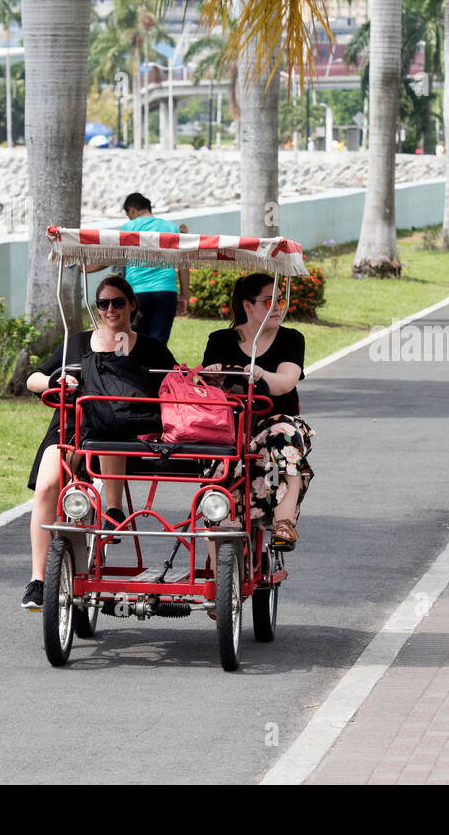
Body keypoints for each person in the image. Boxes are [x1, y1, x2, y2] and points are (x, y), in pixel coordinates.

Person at [21, 276, 177, 609]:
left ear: (132, 305)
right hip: (72, 425)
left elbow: (177, 385)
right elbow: (33, 378)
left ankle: (114, 509)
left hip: (124, 432)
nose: (110, 310)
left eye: (118, 302)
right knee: (48, 486)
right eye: (103, 303)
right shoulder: (76, 343)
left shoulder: (150, 349)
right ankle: (37, 579)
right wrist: (54, 379)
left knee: (111, 436)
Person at [202, 273, 313, 546]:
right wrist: (213, 377)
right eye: (268, 301)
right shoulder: (220, 340)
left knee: (285, 435)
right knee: (218, 469)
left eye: (280, 300)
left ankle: (284, 524)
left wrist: (261, 373)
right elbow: (204, 389)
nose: (277, 307)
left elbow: (285, 382)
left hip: (275, 423)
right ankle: (222, 575)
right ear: (248, 306)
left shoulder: (290, 339)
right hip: (231, 425)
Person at [86, 193, 191, 344]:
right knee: (158, 343)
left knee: (134, 341)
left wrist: (86, 268)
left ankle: (135, 368)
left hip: (136, 293)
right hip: (166, 291)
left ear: (131, 210)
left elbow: (113, 256)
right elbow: (183, 264)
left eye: (128, 215)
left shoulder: (130, 227)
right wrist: (184, 296)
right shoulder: (170, 227)